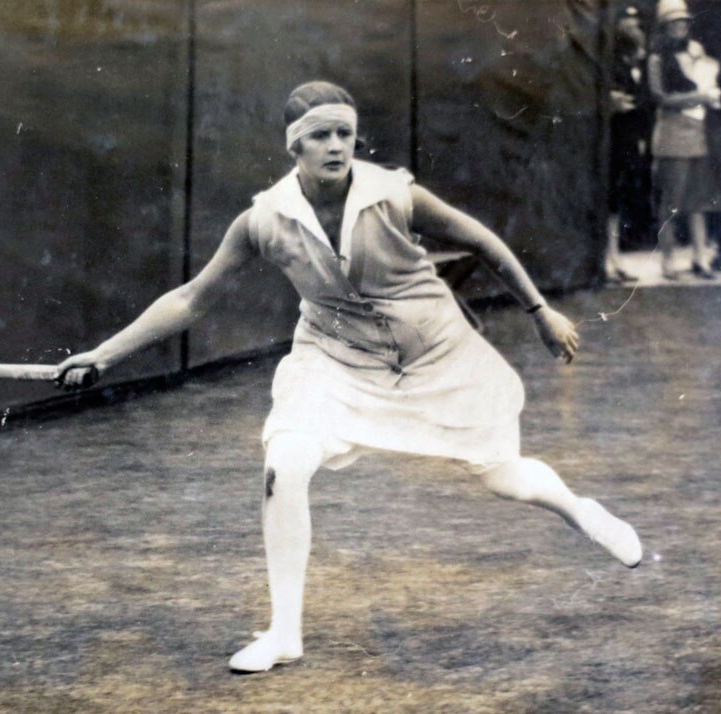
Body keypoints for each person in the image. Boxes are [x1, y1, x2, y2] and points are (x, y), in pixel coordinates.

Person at [56, 81, 643, 673]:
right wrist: (104, 354)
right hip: (333, 358)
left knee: (505, 479)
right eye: (320, 136)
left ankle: (581, 510)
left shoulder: (394, 193)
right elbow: (191, 298)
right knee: (284, 464)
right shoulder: (263, 220)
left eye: (345, 133)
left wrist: (540, 312)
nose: (337, 146)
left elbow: (481, 240)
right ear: (295, 148)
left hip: (436, 355)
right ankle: (285, 632)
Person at [647, 0, 721, 279]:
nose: (681, 26)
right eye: (674, 22)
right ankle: (668, 260)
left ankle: (699, 258)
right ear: (664, 27)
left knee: (699, 200)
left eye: (684, 22)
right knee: (672, 201)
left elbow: (707, 80)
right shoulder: (656, 59)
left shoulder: (696, 53)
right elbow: (661, 98)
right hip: (672, 134)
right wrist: (699, 97)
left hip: (698, 131)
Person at [606, 5, 651, 283]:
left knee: (617, 203)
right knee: (609, 202)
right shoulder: (611, 66)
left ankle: (614, 259)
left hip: (627, 141)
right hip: (613, 142)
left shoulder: (634, 68)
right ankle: (608, 261)